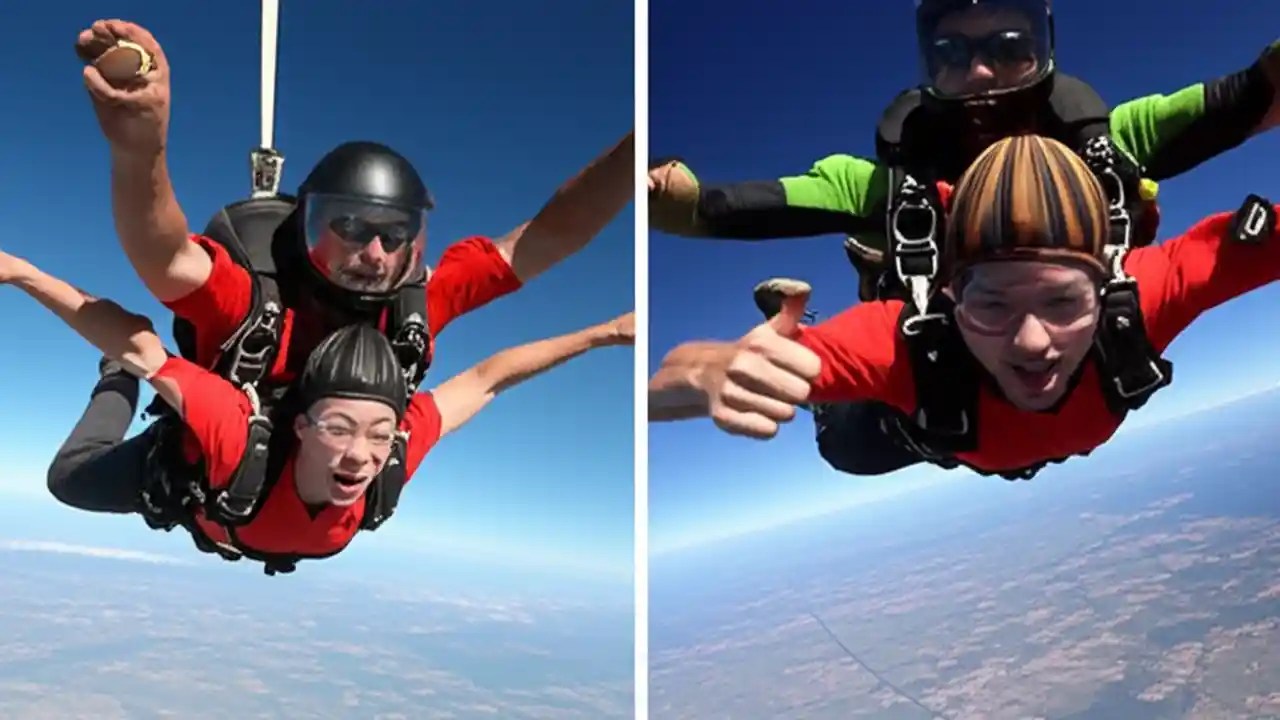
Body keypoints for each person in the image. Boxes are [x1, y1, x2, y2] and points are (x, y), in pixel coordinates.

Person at [648, 0, 1280, 476]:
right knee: (846, 444)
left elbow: (1254, 95)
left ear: (1041, 48)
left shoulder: (1117, 164)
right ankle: (845, 322)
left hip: (1020, 390)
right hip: (921, 411)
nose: (980, 71)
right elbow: (684, 360)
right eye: (951, 53)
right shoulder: (897, 327)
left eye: (1008, 47)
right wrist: (719, 370)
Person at [52, 19, 633, 500]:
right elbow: (163, 254)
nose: (376, 253)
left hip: (294, 503)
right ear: (310, 225)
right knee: (70, 480)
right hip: (200, 476)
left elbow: (552, 235)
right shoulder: (256, 297)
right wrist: (139, 150)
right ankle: (118, 373)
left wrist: (637, 157)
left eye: (396, 233)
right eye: (352, 227)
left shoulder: (417, 301)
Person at [2, 248, 633, 573]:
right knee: (69, 475)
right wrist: (25, 275)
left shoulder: (395, 454)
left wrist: (603, 333)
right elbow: (136, 342)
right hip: (190, 482)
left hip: (230, 518)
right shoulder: (232, 431)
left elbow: (493, 376)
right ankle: (115, 387)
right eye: (339, 428)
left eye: (380, 433)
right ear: (299, 425)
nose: (363, 453)